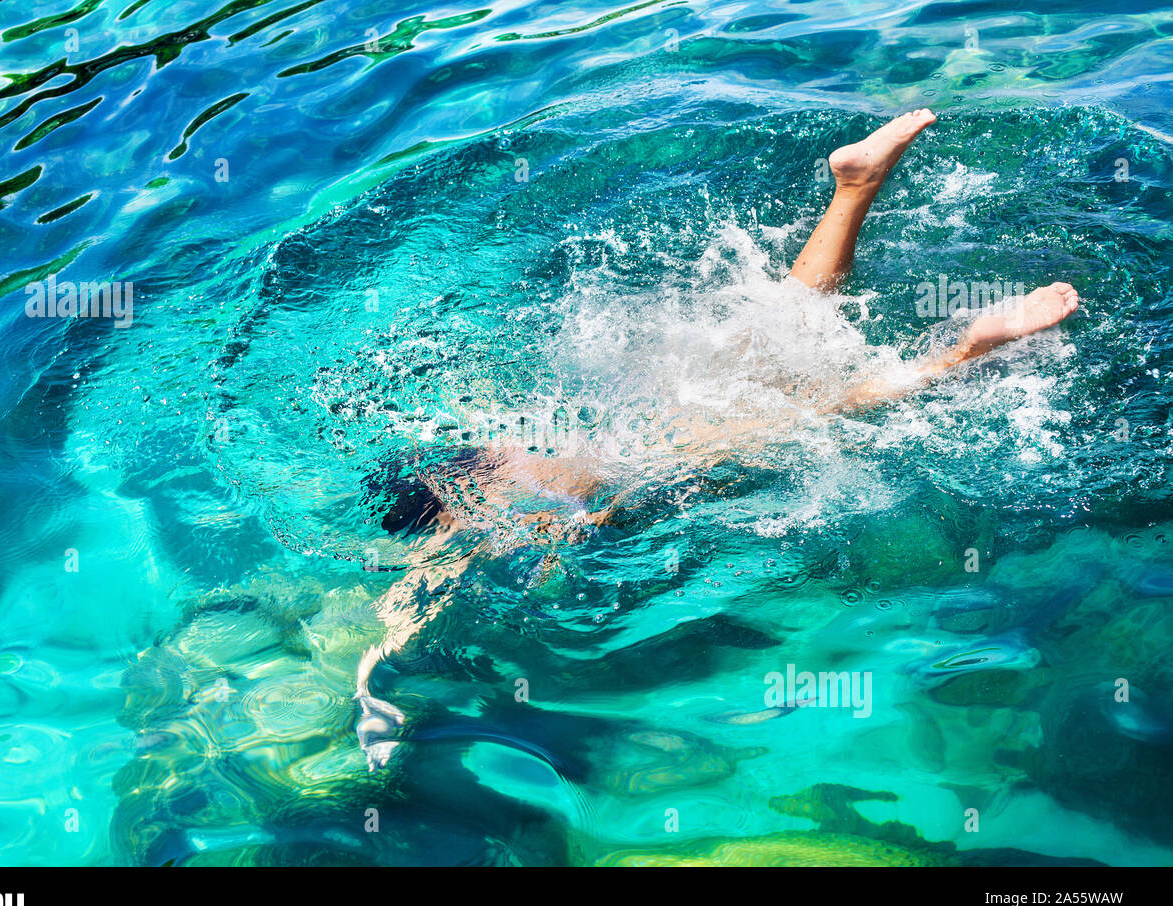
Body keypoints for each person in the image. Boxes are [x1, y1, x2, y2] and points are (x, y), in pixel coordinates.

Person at [354, 109, 1080, 769]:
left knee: (816, 409)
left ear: (450, 501)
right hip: (633, 398)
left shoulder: (470, 532)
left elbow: (397, 626)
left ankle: (962, 351)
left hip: (655, 444)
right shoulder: (503, 452)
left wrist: (374, 708)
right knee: (791, 324)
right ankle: (854, 187)